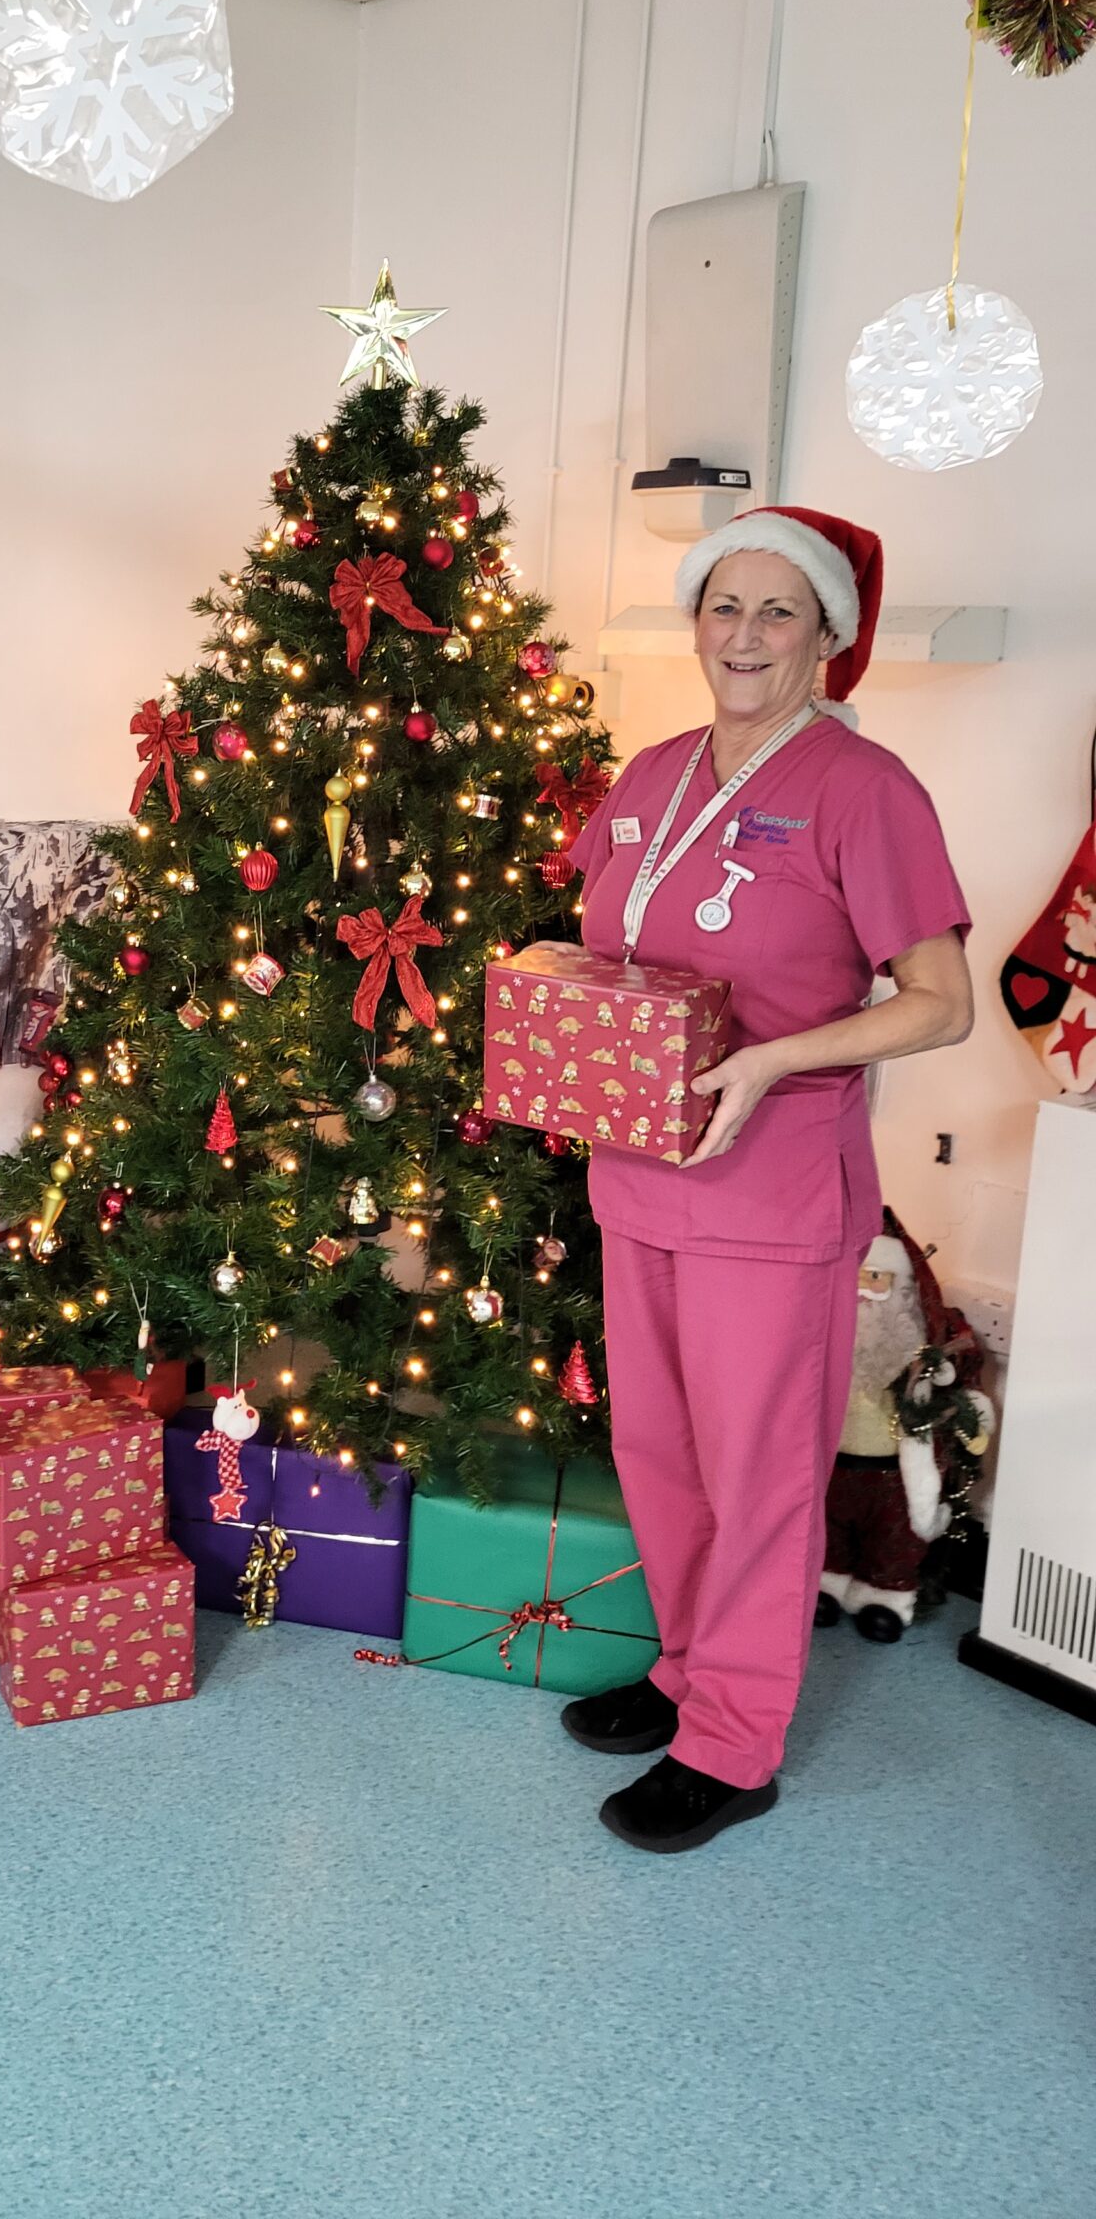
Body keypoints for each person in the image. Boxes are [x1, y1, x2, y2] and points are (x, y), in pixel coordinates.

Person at [562, 508, 971, 1853]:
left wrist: (777, 1058)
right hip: (640, 1174)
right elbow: (601, 952)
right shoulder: (655, 771)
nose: (744, 635)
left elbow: (940, 1002)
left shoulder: (867, 790)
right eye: (722, 606)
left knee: (759, 1473)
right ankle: (687, 1673)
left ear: (827, 640)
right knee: (661, 1452)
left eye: (778, 612)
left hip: (770, 1190)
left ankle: (735, 1745)